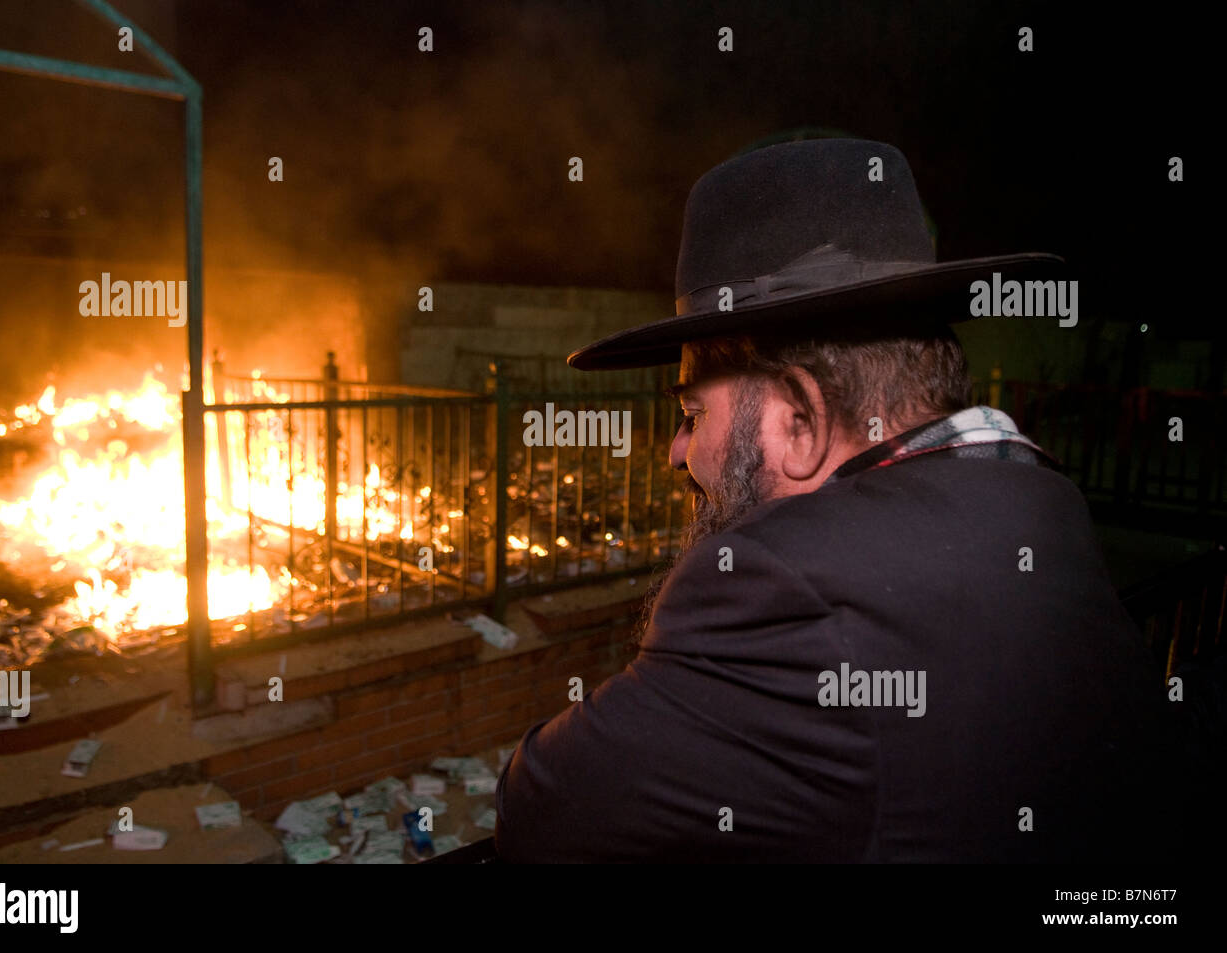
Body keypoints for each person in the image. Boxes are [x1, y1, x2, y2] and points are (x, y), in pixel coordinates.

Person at [492, 138, 1174, 862]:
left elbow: (542, 810)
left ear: (799, 419)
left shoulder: (776, 589)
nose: (676, 452)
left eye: (693, 416)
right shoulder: (1047, 504)